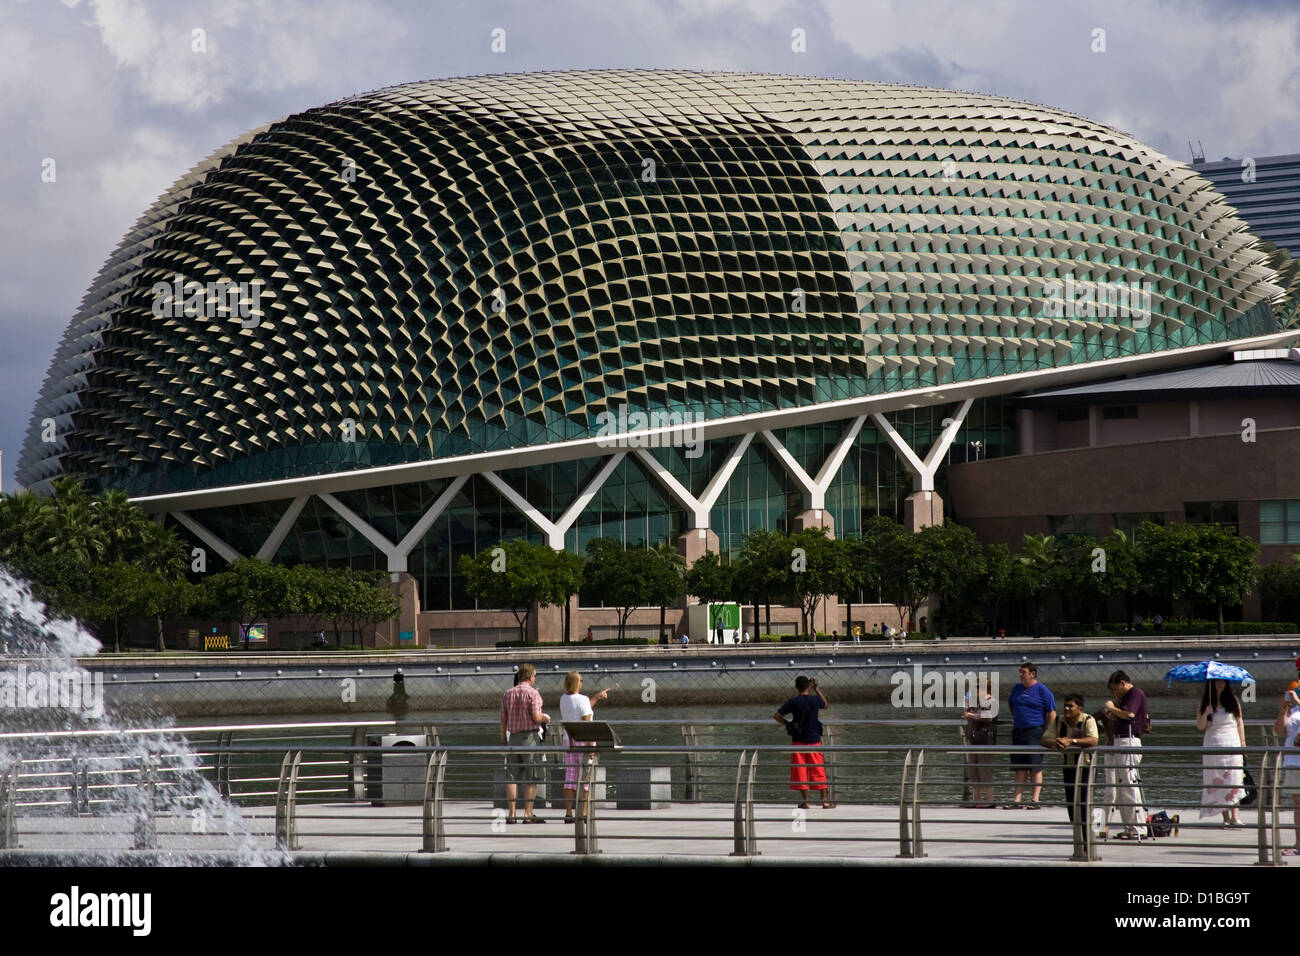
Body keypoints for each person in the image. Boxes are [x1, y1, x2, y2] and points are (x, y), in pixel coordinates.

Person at [499, 662, 550, 823]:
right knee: (532, 777)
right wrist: (545, 718)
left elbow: (503, 719)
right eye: (534, 676)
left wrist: (503, 739)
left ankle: (512, 814)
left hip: (513, 738)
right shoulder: (533, 693)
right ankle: (528, 814)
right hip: (530, 739)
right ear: (529, 676)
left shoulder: (508, 693)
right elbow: (536, 717)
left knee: (512, 777)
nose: (535, 679)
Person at [773, 676, 834, 809]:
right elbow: (826, 704)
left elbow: (777, 716)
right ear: (808, 686)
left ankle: (806, 802)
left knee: (800, 771)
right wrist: (816, 688)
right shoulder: (815, 700)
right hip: (814, 740)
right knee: (818, 769)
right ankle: (825, 801)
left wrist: (788, 725)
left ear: (796, 687)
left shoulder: (793, 702)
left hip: (798, 741)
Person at [559, 671, 609, 824]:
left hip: (569, 740)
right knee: (585, 778)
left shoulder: (563, 698)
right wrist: (592, 746)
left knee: (570, 776)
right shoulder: (583, 699)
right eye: (581, 680)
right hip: (582, 740)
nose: (582, 682)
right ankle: (584, 812)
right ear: (576, 683)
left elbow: (579, 711)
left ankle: (568, 813)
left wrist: (595, 698)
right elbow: (586, 725)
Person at [1103, 670, 1148, 840]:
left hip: (1128, 741)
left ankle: (1138, 828)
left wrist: (1112, 708)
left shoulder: (1135, 693)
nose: (1116, 693)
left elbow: (1130, 715)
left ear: (1123, 683)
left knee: (1129, 785)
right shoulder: (1127, 697)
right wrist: (1113, 713)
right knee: (1122, 788)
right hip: (1119, 741)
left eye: (1116, 689)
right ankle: (1129, 827)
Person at [1006, 662, 1056, 808]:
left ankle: (1035, 800)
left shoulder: (1042, 690)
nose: (1021, 675)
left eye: (1023, 672)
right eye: (1020, 672)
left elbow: (1051, 712)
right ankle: (1017, 800)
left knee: (1035, 766)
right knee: (1019, 766)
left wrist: (1048, 731)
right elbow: (1011, 705)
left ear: (1032, 674)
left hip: (1035, 731)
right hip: (1018, 731)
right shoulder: (1016, 689)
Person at [1197, 678, 1246, 826]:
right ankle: (1225, 817)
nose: (1221, 685)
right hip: (1213, 744)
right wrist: (1206, 713)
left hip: (1232, 742)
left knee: (1235, 778)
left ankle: (1235, 817)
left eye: (1223, 682)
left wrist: (1243, 743)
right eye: (1218, 682)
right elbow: (1200, 726)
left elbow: (1240, 722)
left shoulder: (1233, 700)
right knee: (1217, 778)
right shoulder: (1205, 702)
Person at [1044, 693, 1099, 823]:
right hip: (1069, 767)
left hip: (1086, 767)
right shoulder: (1059, 720)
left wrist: (1072, 741)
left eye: (1070, 706)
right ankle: (1078, 837)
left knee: (1084, 804)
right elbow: (1044, 739)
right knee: (1072, 806)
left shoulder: (1088, 720)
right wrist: (1056, 742)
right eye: (1065, 706)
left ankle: (1087, 839)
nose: (1066, 709)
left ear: (1080, 708)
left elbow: (1093, 740)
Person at [962, 678, 997, 807]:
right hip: (973, 739)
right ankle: (977, 800)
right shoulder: (974, 702)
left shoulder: (992, 701)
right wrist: (965, 703)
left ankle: (989, 801)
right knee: (973, 770)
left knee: (985, 770)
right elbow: (965, 713)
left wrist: (971, 715)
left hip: (985, 740)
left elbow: (988, 716)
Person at [1274, 685, 1300, 856]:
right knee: (1298, 804)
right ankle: (1299, 844)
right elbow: (1279, 730)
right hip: (1293, 761)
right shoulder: (1294, 710)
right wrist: (1283, 710)